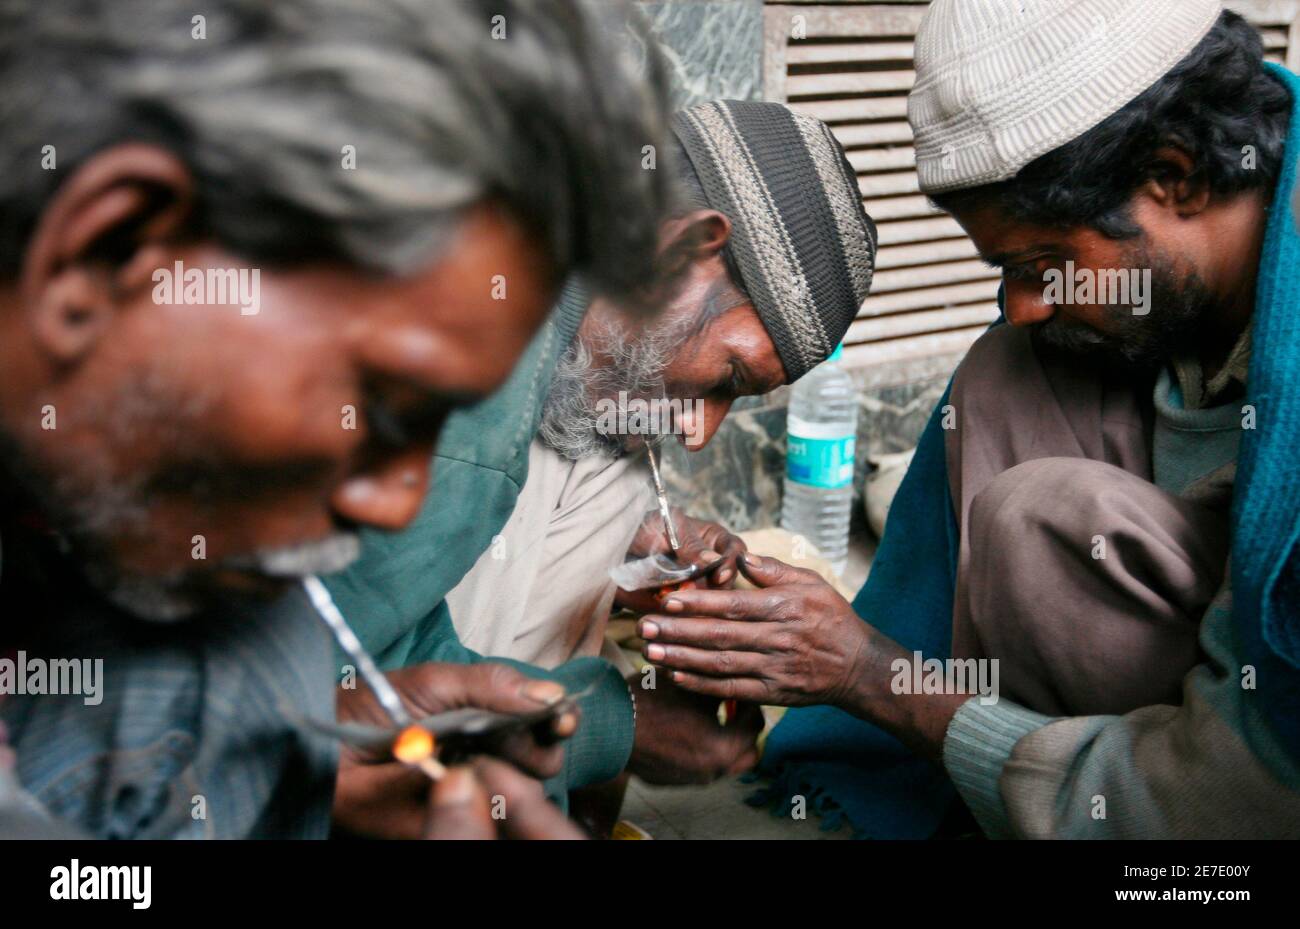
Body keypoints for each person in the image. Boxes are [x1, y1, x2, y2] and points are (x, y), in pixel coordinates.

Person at [0, 0, 675, 839]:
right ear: (118, 244)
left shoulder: (221, 588)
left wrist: (309, 775)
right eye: (387, 406)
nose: (397, 505)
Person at [637, 0, 1300, 838]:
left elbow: (1243, 800)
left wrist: (869, 675)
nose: (1017, 304)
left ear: (1177, 175)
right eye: (1005, 268)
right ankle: (1018, 779)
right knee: (1011, 374)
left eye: (1039, 263)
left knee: (1038, 517)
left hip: (1233, 801)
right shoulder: (1090, 323)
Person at [325, 100, 878, 828]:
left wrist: (640, 543)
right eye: (729, 378)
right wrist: (624, 724)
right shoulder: (468, 381)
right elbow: (329, 709)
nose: (702, 431)